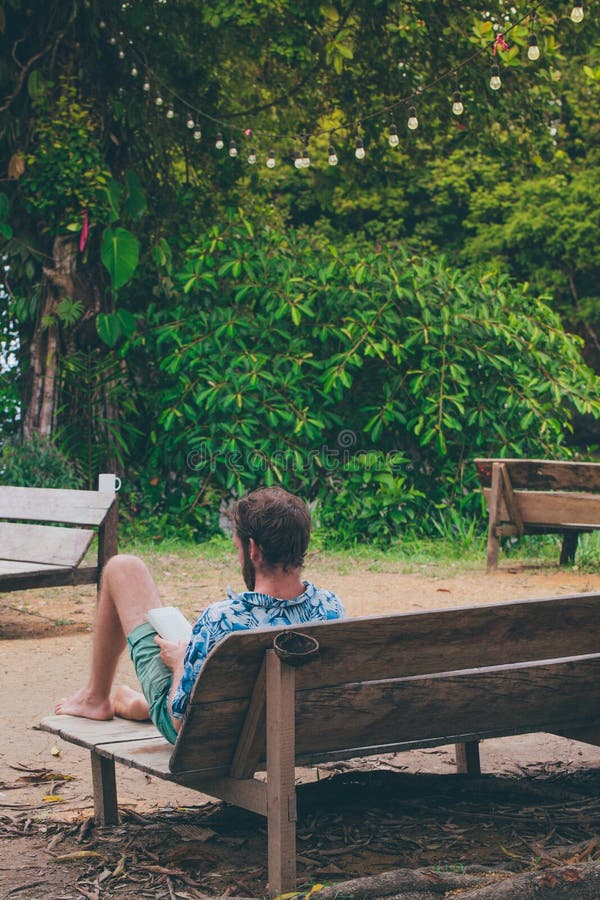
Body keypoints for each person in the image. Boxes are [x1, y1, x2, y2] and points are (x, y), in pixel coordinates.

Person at [55, 486, 346, 744]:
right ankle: (138, 704)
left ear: (254, 550)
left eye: (238, 549)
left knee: (123, 567)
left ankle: (95, 698)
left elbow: (181, 721)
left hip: (222, 737)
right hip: (303, 730)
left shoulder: (221, 619)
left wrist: (182, 662)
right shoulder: (332, 607)